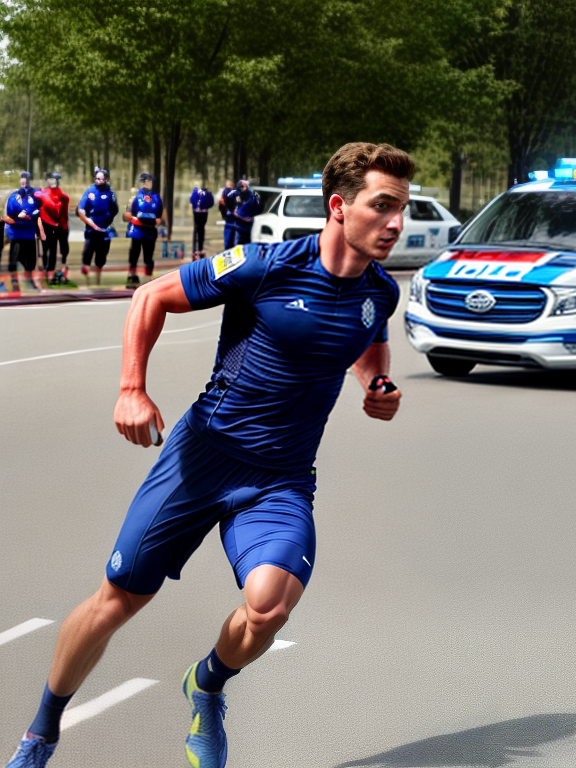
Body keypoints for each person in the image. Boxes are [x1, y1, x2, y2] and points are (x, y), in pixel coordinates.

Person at [5, 141, 412, 768]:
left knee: (269, 606)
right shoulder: (264, 264)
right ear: (339, 207)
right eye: (382, 207)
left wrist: (375, 385)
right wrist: (132, 390)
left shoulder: (380, 292)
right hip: (202, 458)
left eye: (401, 210)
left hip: (280, 479)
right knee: (119, 599)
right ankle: (41, 733)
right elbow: (149, 296)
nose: (395, 223)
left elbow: (366, 340)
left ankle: (207, 685)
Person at [78, 168, 119, 286]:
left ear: (106, 179)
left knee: (101, 258)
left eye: (101, 179)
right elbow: (81, 208)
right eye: (96, 178)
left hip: (104, 231)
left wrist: (108, 218)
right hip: (91, 231)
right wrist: (87, 218)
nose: (98, 181)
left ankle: (97, 281)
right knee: (87, 254)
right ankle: (87, 282)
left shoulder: (110, 193)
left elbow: (114, 209)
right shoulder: (90, 191)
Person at [124, 173, 165, 288]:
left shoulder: (156, 198)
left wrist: (157, 220)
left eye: (148, 181)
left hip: (150, 230)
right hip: (137, 229)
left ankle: (148, 278)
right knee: (134, 252)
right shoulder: (135, 197)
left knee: (148, 255)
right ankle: (132, 275)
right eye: (143, 181)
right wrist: (133, 217)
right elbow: (127, 214)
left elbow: (159, 216)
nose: (146, 184)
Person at [2, 171, 41, 291]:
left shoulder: (33, 197)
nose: (24, 185)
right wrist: (18, 217)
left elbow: (36, 212)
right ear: (20, 182)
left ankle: (30, 282)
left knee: (31, 261)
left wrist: (34, 219)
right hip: (16, 234)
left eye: (26, 182)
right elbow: (7, 216)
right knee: (14, 260)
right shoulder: (13, 197)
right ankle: (14, 284)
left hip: (29, 234)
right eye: (22, 182)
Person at [35, 173, 70, 285]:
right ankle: (46, 270)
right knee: (46, 249)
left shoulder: (63, 197)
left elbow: (61, 212)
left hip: (59, 225)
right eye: (50, 179)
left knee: (56, 249)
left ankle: (52, 271)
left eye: (54, 179)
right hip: (46, 225)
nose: (52, 181)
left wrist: (63, 227)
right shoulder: (42, 194)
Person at [222, 177, 261, 250]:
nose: (244, 188)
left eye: (246, 186)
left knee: (246, 247)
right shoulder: (233, 194)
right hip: (238, 226)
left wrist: (251, 217)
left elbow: (257, 208)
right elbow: (226, 203)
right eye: (242, 186)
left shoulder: (253, 197)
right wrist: (233, 212)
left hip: (248, 227)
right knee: (235, 246)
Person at [190, 183, 215, 259]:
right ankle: (195, 249)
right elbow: (192, 200)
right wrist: (196, 206)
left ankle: (200, 248)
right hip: (197, 212)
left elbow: (211, 202)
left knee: (201, 229)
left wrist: (205, 206)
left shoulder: (208, 194)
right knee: (196, 229)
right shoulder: (195, 192)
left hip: (204, 213)